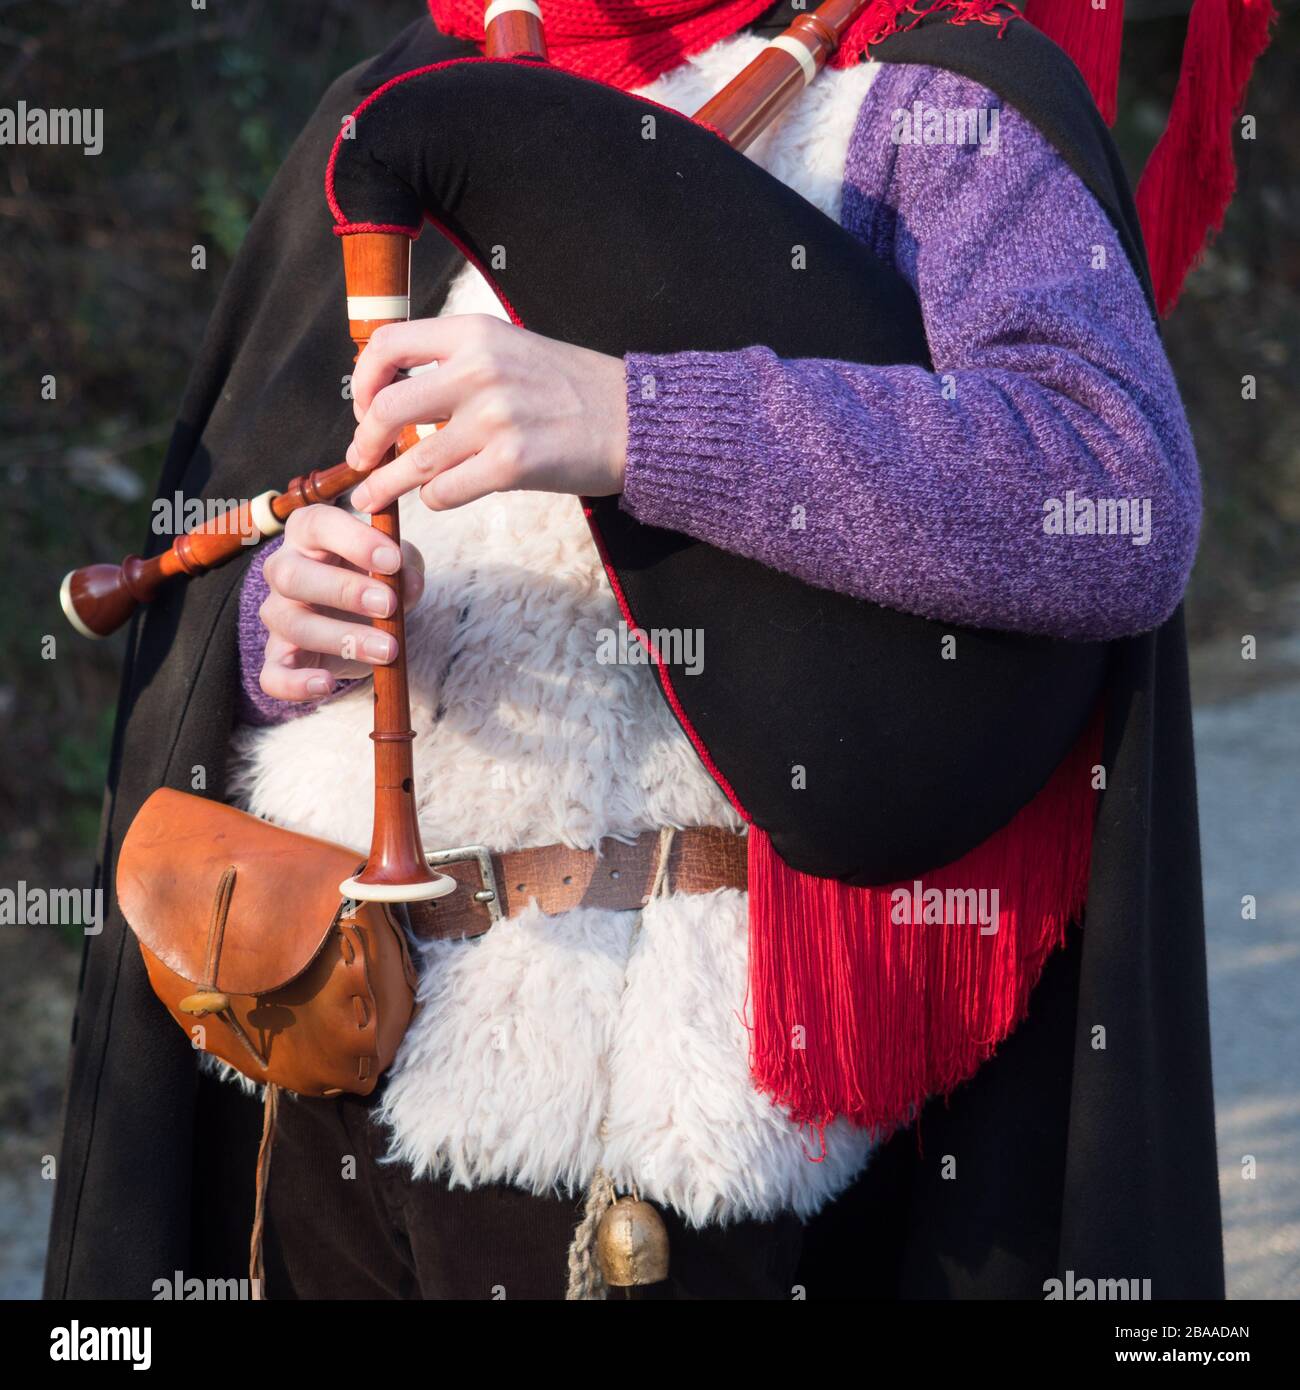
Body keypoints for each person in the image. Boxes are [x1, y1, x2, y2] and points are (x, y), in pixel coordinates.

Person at [47, 0, 1272, 1300]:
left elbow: (1114, 488)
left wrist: (635, 418)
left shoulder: (930, 94)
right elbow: (266, 535)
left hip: (650, 1123)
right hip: (311, 1048)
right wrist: (279, 625)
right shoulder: (399, 89)